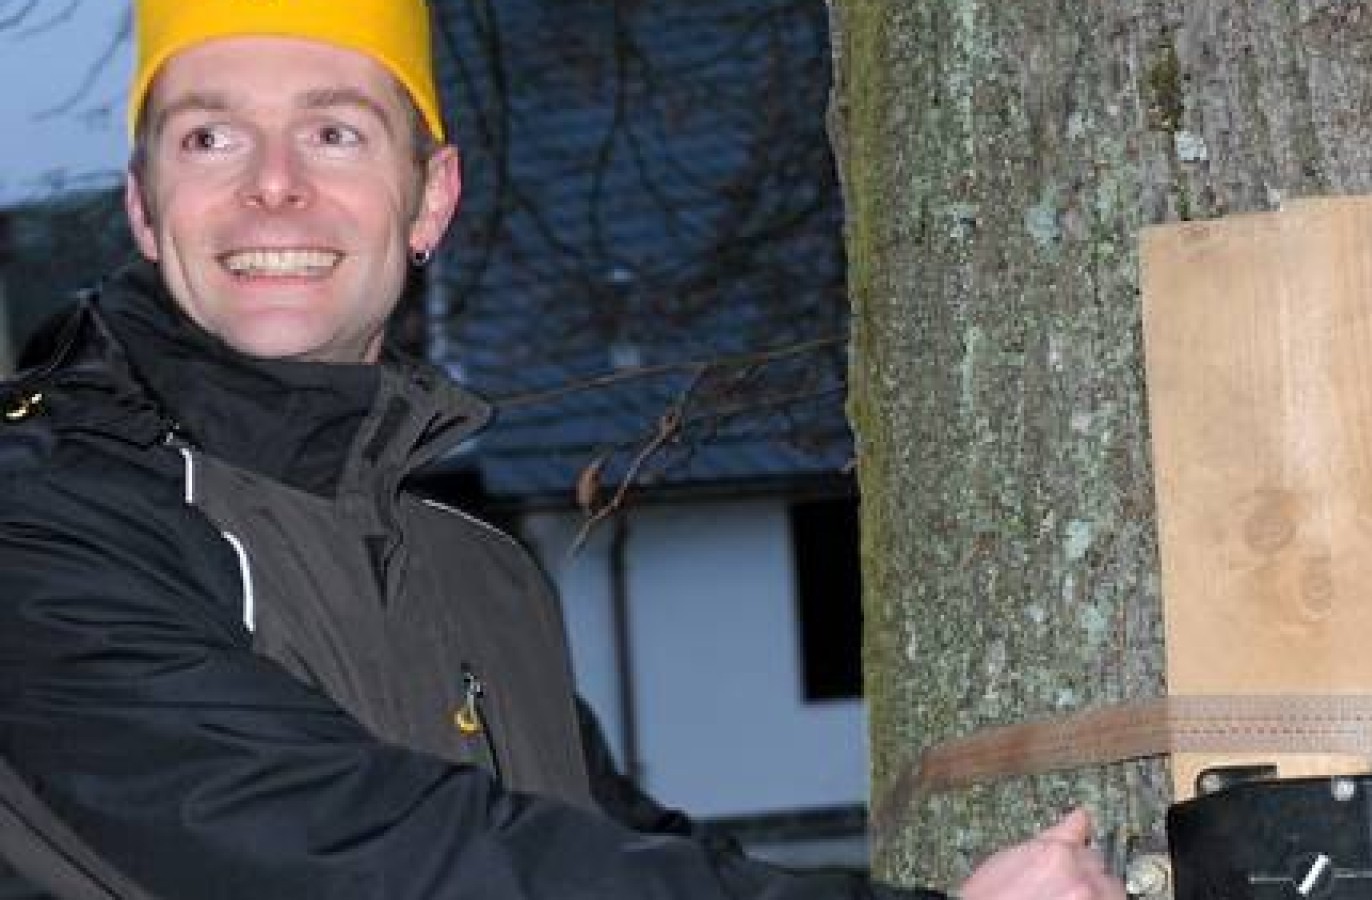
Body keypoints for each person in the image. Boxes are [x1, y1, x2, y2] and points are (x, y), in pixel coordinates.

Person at [0, 2, 1123, 899]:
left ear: (428, 198)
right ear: (147, 208)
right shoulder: (44, 523)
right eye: (211, 136)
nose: (274, 183)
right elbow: (357, 851)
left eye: (336, 130)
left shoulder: (479, 575)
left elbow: (612, 848)